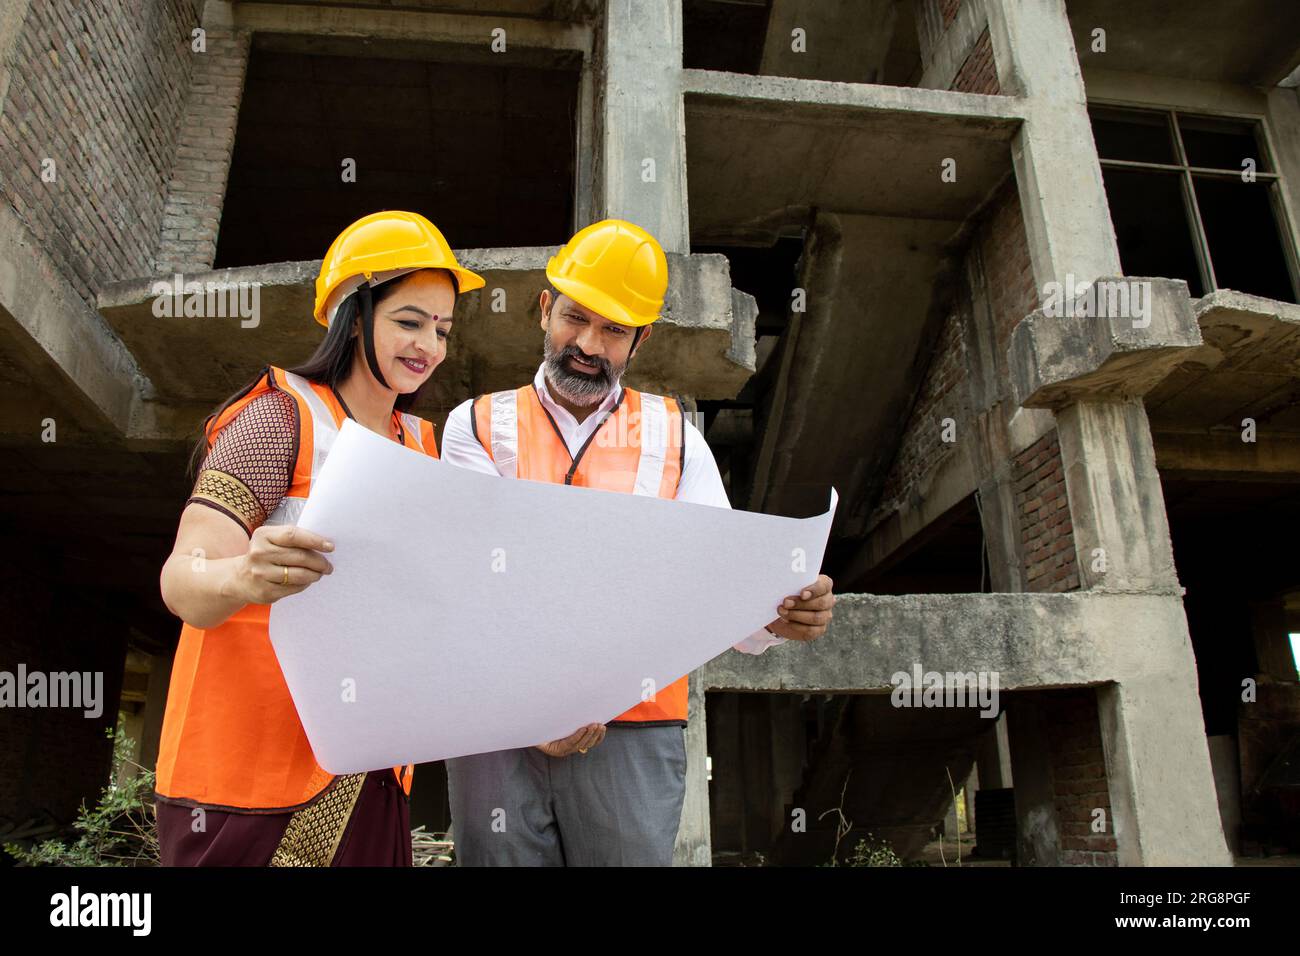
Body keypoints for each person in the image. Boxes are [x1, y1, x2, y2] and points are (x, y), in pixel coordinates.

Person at [440, 218, 836, 866]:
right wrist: (530, 705)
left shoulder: (674, 435)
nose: (588, 345)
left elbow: (718, 580)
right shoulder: (477, 426)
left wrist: (779, 612)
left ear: (641, 340)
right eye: (575, 318)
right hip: (496, 720)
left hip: (634, 727)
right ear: (545, 310)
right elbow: (469, 584)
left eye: (614, 330)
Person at [153, 210, 484, 866]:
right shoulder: (281, 417)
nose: (430, 346)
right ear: (352, 318)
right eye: (409, 321)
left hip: (370, 770)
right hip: (247, 776)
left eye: (442, 329)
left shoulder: (421, 446)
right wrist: (240, 575)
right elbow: (182, 577)